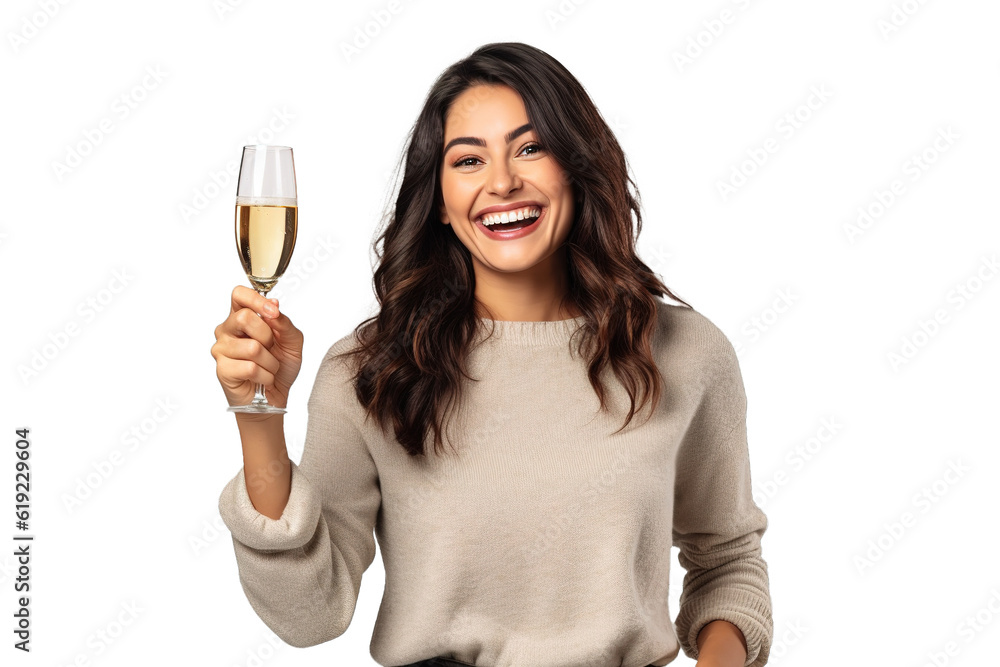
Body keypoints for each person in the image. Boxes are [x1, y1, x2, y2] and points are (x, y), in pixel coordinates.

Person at [211, 42, 773, 667]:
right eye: (468, 160)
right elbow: (309, 615)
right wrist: (257, 414)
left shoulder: (687, 354)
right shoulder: (369, 371)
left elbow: (727, 561)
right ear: (442, 202)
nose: (502, 182)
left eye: (530, 148)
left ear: (577, 169)